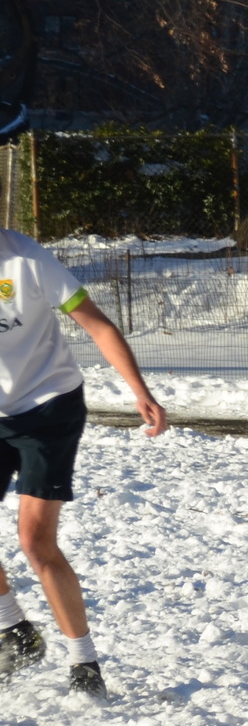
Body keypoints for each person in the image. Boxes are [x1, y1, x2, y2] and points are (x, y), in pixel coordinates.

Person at [0, 229, 167, 697]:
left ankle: (84, 660)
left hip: (49, 406)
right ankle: (15, 630)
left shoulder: (27, 259)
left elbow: (99, 325)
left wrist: (140, 391)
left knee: (35, 541)